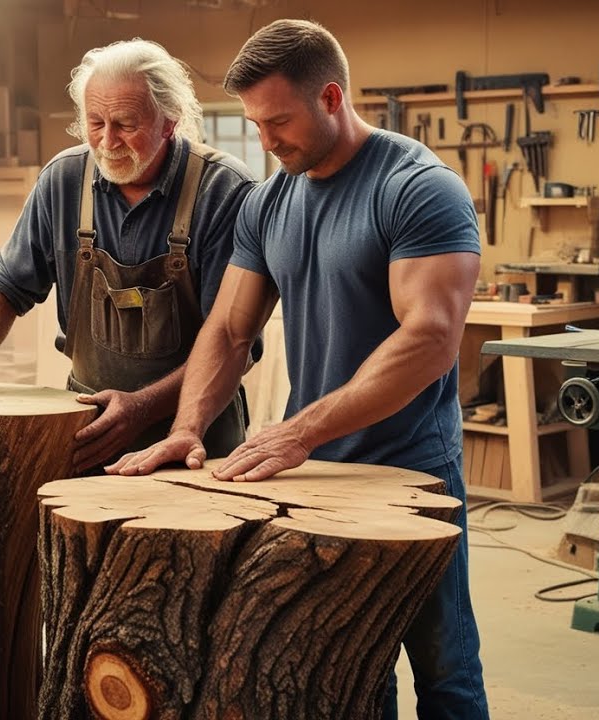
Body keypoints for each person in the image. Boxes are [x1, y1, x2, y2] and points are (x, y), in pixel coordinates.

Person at [106, 19, 489, 719]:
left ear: (333, 98)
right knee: (347, 667)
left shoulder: (418, 188)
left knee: (444, 667)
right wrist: (188, 426)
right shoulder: (271, 199)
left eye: (278, 121)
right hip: (317, 476)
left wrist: (299, 430)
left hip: (412, 475)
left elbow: (431, 338)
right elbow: (227, 328)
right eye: (255, 124)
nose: (266, 141)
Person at [0, 38, 257, 473]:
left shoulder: (224, 190)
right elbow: (5, 285)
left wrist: (142, 407)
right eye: (95, 122)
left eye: (125, 124)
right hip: (89, 427)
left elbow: (233, 342)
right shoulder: (64, 180)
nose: (107, 141)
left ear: (169, 122)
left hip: (195, 441)